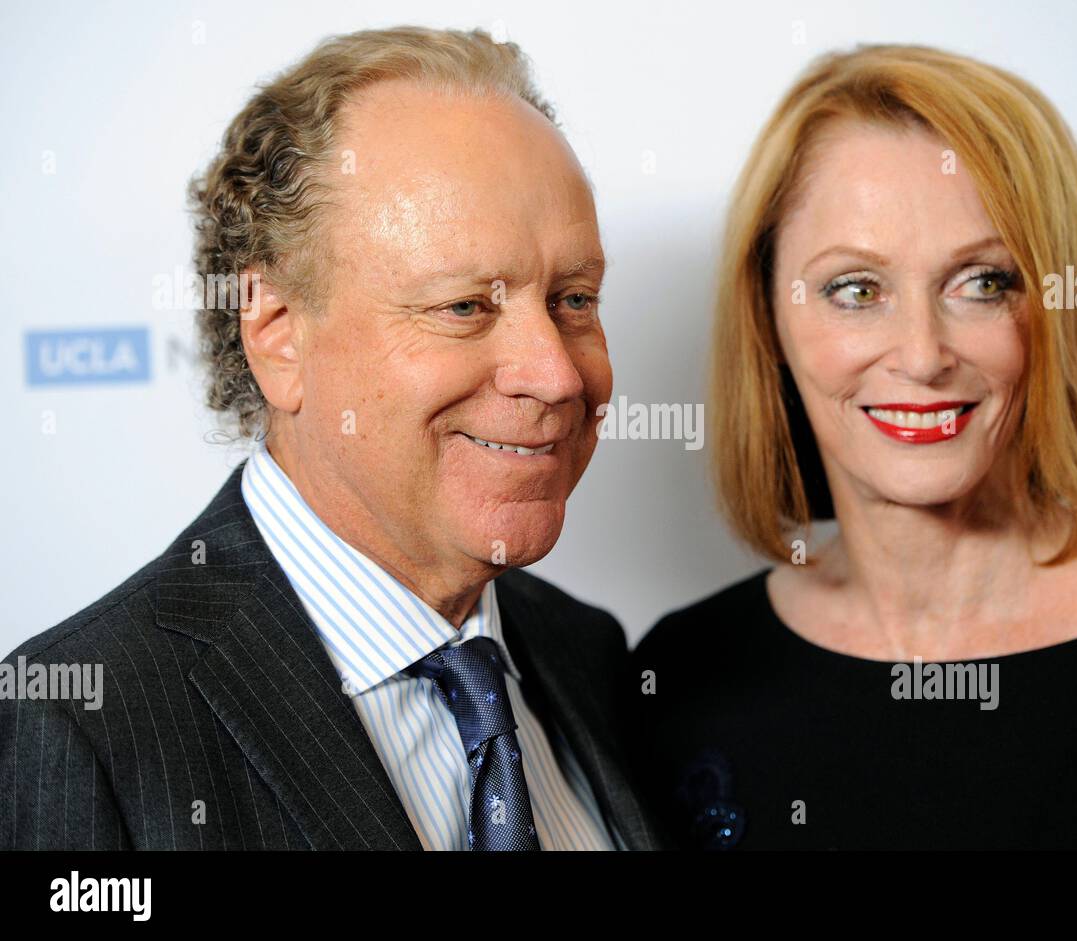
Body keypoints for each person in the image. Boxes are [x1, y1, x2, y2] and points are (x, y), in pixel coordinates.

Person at [1, 26, 664, 851]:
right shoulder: (77, 727)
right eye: (465, 307)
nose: (556, 375)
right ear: (279, 334)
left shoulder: (588, 655)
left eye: (574, 299)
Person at [631, 44, 1077, 850]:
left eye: (982, 282)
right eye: (855, 289)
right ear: (766, 316)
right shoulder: (678, 679)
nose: (921, 353)